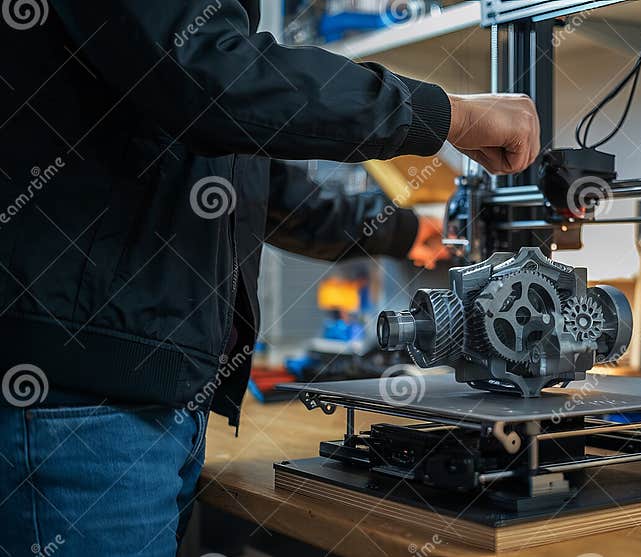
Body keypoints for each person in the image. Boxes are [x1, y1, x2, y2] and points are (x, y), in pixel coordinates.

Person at [0, 1, 540, 556]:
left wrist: (402, 231)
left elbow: (249, 172)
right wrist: (448, 115)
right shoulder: (192, 41)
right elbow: (216, 79)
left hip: (146, 399)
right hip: (78, 401)